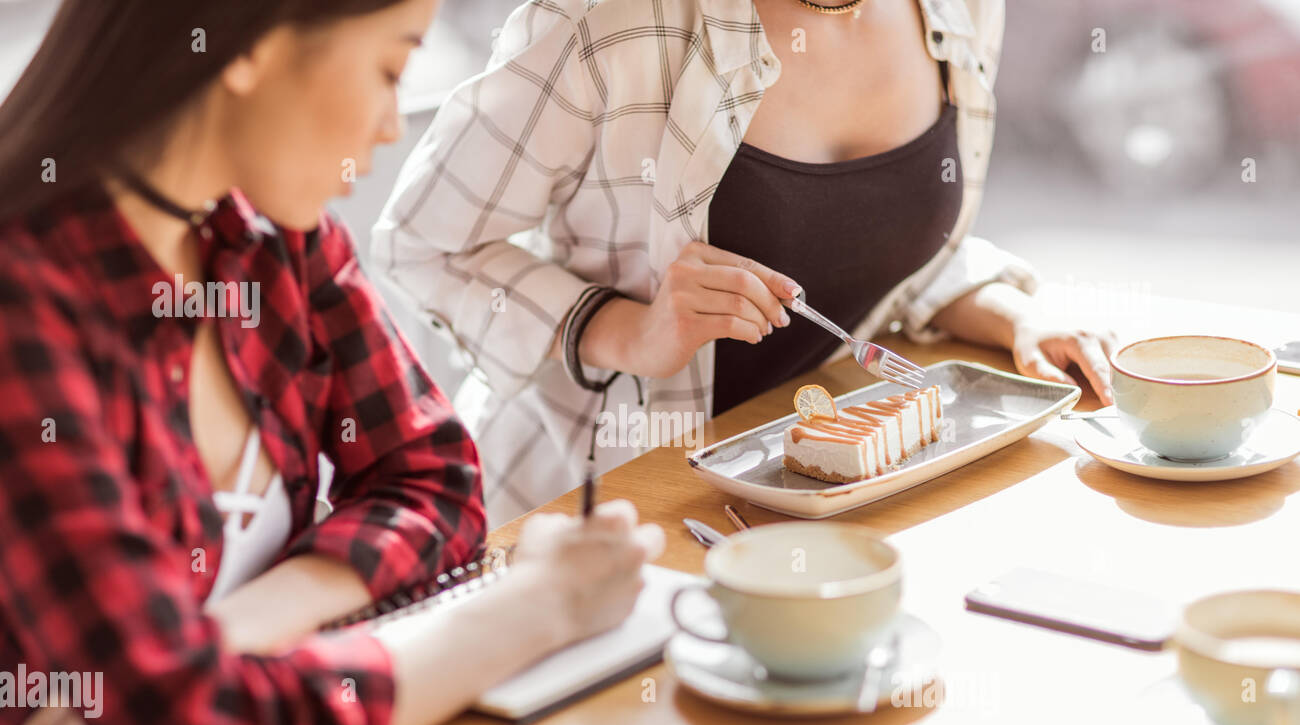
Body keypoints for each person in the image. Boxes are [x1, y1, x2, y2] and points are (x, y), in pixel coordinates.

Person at [0, 0, 662, 725]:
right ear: (245, 49)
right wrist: (534, 608)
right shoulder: (23, 303)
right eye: (390, 69)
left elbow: (434, 477)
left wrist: (229, 634)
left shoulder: (273, 235)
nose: (391, 127)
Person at [374, 0, 1120, 525]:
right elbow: (423, 243)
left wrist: (1015, 313)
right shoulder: (604, 22)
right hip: (601, 517)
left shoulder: (956, 11)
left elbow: (868, 250)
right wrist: (629, 330)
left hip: (829, 502)